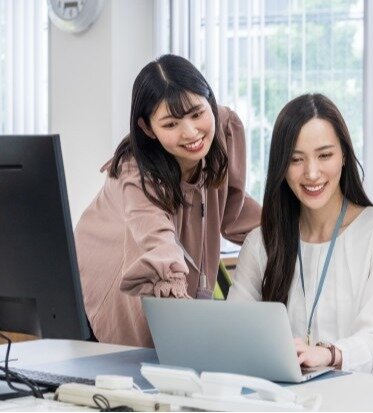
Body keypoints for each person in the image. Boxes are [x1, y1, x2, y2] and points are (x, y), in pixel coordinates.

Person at [75, 54, 261, 347]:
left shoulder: (223, 130)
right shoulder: (137, 172)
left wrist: (293, 227)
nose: (191, 132)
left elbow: (232, 209)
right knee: (140, 358)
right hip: (108, 276)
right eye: (171, 124)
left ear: (209, 101)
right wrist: (174, 286)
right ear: (148, 128)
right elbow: (156, 239)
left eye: (196, 114)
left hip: (169, 267)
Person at [227, 93, 373, 376]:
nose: (311, 173)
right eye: (296, 159)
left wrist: (327, 354)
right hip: (292, 394)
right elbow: (234, 329)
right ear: (281, 166)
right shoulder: (261, 243)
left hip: (372, 392)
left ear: (344, 155)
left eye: (325, 155)